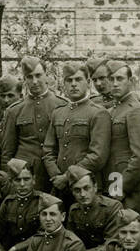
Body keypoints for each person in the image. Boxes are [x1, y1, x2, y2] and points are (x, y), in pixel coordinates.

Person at [43, 62, 109, 205]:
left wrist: (67, 177)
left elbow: (97, 156)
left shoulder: (98, 113)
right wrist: (56, 176)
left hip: (86, 187)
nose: (73, 84)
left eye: (78, 80)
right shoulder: (58, 112)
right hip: (60, 187)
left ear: (88, 82)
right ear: (64, 84)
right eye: (69, 80)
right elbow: (48, 150)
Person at [0, 55, 65, 184]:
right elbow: (7, 152)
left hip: (56, 173)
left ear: (46, 75)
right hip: (26, 176)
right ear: (24, 79)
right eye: (29, 77)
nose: (34, 81)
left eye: (38, 75)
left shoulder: (62, 105)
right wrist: (9, 181)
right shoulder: (14, 111)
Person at [102, 60, 140, 212]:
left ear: (130, 81)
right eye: (111, 79)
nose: (115, 84)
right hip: (113, 180)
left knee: (129, 229)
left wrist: (121, 186)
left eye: (120, 79)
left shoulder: (135, 110)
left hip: (129, 187)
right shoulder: (112, 110)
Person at [65, 164, 124, 250]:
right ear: (72, 192)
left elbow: (111, 244)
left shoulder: (113, 207)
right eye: (77, 190)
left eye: (86, 188)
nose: (82, 194)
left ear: (95, 187)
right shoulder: (74, 210)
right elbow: (71, 242)